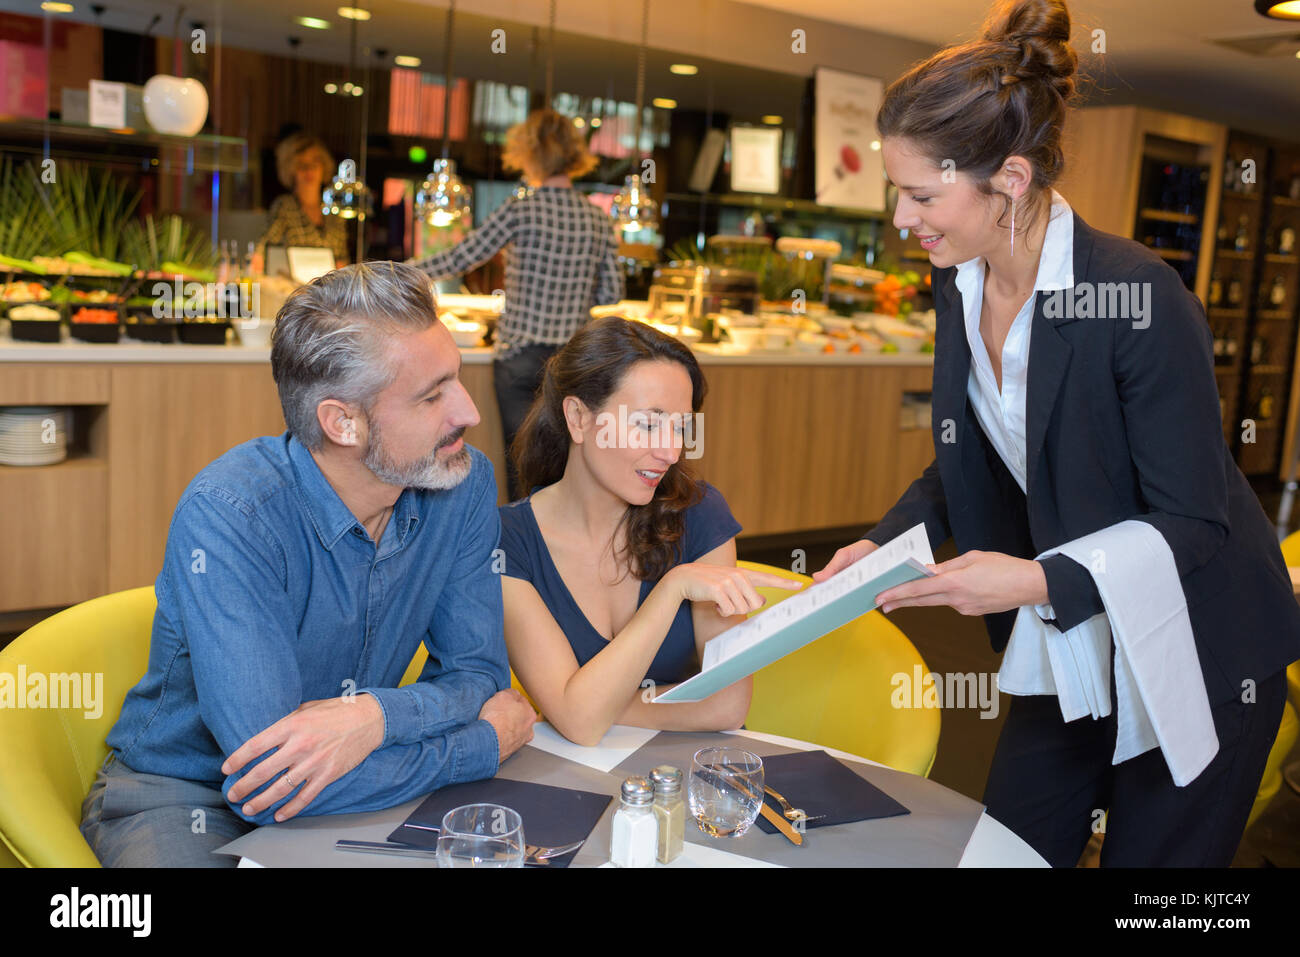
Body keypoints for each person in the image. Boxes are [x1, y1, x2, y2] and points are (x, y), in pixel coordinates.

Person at [814, 0, 1300, 867]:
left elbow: (1192, 519)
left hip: (1200, 642)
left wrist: (1032, 578)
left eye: (922, 194)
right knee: (1008, 849)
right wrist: (879, 542)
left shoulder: (1138, 299)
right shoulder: (961, 285)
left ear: (1009, 178)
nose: (901, 219)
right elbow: (979, 453)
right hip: (1073, 634)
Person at [79, 261, 536, 867]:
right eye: (432, 395)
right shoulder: (231, 515)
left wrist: (370, 716)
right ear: (342, 422)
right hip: (184, 797)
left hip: (362, 768)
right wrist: (477, 745)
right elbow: (275, 784)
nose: (469, 413)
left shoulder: (463, 483)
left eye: (455, 379)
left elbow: (478, 675)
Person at [498, 317, 799, 746]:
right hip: (576, 787)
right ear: (579, 417)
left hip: (694, 783)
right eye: (648, 423)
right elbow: (580, 724)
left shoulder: (698, 514)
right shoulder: (506, 541)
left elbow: (727, 705)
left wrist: (586, 704)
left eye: (679, 427)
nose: (670, 451)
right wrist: (671, 589)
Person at [408, 109, 625, 498]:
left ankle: (518, 553)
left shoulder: (522, 209)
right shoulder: (597, 218)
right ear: (574, 155)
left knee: (522, 462)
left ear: (530, 153)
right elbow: (612, 294)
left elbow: (463, 257)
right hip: (570, 361)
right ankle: (560, 551)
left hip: (520, 357)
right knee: (562, 463)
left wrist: (402, 271)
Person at [252, 132, 350, 272]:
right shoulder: (285, 207)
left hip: (329, 289)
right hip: (293, 288)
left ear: (323, 167)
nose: (309, 171)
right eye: (302, 165)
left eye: (315, 163)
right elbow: (262, 249)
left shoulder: (334, 213)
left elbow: (342, 260)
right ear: (291, 170)